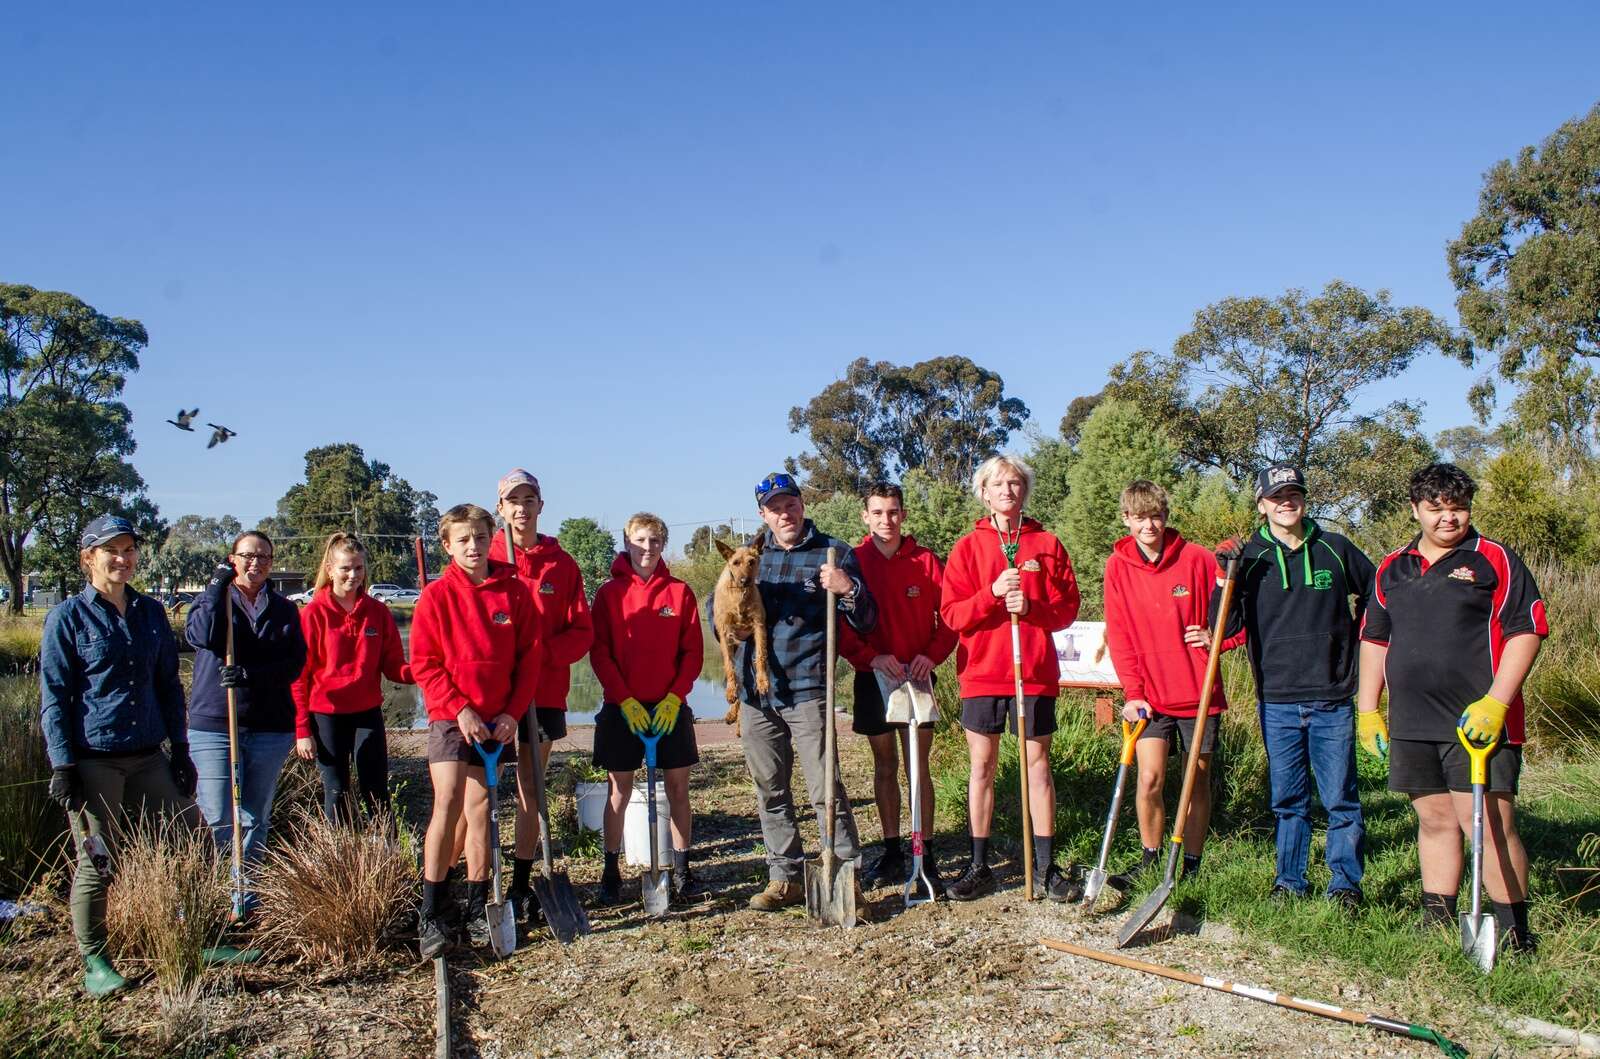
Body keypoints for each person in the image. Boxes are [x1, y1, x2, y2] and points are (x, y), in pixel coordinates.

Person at [1358, 463, 1547, 951]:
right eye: (1436, 509)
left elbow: (1526, 630)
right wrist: (1368, 709)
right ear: (1416, 510)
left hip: (1478, 721)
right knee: (1435, 820)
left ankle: (1512, 932)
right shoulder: (1392, 568)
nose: (1448, 518)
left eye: (1458, 508)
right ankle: (1437, 917)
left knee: (1489, 824)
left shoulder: (1494, 560)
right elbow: (1375, 640)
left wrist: (1497, 702)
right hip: (1413, 721)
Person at [39, 515, 198, 996]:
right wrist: (63, 764)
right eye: (112, 550)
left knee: (187, 841)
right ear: (89, 557)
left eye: (129, 549)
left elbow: (168, 686)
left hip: (150, 754)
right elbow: (55, 697)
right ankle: (95, 961)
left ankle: (192, 934)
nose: (123, 558)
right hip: (95, 758)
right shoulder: (68, 617)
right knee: (99, 860)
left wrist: (181, 749)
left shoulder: (150, 612)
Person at [709, 471, 877, 911]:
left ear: (802, 505)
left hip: (808, 688)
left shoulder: (832, 552)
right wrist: (726, 625)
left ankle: (844, 876)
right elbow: (719, 610)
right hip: (756, 693)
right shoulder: (746, 558)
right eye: (774, 507)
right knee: (770, 788)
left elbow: (866, 620)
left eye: (791, 504)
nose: (785, 513)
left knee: (825, 788)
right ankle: (785, 877)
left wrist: (848, 588)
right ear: (762, 513)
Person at [1214, 465, 1375, 906]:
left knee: (1341, 799)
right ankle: (1290, 881)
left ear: (1304, 499)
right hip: (1278, 698)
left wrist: (1357, 634)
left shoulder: (1336, 548)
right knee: (1289, 799)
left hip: (1332, 695)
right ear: (1262, 504)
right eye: (1277, 496)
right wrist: (1224, 576)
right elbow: (1223, 626)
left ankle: (1345, 884)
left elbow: (1378, 593)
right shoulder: (1249, 558)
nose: (1287, 502)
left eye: (1294, 494)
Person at [939, 455, 1082, 901]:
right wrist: (993, 595)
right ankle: (979, 865)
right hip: (983, 674)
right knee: (982, 767)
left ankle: (1044, 867)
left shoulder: (1048, 543)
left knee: (1037, 768)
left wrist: (1032, 608)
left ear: (1025, 491)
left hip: (1034, 675)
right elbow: (952, 615)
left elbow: (1068, 608)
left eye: (1015, 483)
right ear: (984, 493)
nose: (1007, 491)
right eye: (998, 484)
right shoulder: (967, 548)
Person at [410, 504, 542, 956]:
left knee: (482, 807)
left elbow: (530, 660)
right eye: (463, 540)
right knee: (447, 801)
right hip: (452, 717)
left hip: (497, 719)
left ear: (492, 539)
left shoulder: (515, 593)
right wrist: (458, 708)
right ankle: (432, 908)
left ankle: (474, 905)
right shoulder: (436, 596)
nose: (473, 546)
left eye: (481, 538)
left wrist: (510, 713)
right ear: (447, 545)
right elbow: (424, 663)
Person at [1103, 480, 1240, 886]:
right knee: (1150, 779)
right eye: (1141, 517)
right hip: (1150, 697)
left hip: (1199, 694)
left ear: (1166, 516)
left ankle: (1192, 866)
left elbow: (1238, 614)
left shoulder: (1197, 558)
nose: (1150, 525)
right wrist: (1132, 693)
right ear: (1127, 519)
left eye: (1157, 516)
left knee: (1195, 781)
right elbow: (1121, 634)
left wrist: (1220, 640)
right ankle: (1151, 858)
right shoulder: (1118, 568)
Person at [486, 469, 594, 919]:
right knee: (479, 793)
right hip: (492, 693)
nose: (521, 508)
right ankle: (473, 882)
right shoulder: (484, 558)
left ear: (540, 506)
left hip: (544, 692)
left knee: (531, 785)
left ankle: (520, 883)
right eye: (513, 500)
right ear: (500, 508)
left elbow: (582, 631)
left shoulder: (562, 564)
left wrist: (540, 654)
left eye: (529, 499)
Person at [839, 482, 957, 892]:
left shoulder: (926, 561)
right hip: (874, 677)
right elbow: (841, 624)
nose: (886, 520)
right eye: (877, 513)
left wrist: (932, 655)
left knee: (917, 767)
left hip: (918, 677)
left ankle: (924, 849)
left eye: (893, 512)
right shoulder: (853, 561)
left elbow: (952, 619)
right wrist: (870, 658)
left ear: (903, 514)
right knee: (885, 766)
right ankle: (891, 850)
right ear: (865, 516)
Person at [186, 530, 308, 917]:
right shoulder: (215, 601)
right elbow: (200, 636)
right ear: (232, 559)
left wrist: (251, 674)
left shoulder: (285, 609)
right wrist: (215, 586)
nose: (256, 564)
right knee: (219, 814)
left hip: (269, 724)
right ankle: (219, 892)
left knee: (256, 815)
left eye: (264, 558)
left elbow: (294, 663)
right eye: (247, 556)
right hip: (215, 724)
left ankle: (247, 895)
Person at [588, 513, 707, 905]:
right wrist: (623, 699)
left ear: (663, 545)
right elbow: (600, 652)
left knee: (678, 790)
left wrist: (675, 696)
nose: (647, 548)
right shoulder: (608, 595)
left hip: (670, 709)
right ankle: (610, 873)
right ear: (626, 542)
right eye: (640, 540)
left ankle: (682, 871)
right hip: (622, 709)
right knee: (618, 791)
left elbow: (692, 653)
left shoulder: (680, 593)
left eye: (655, 540)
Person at [291, 533, 414, 825]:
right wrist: (301, 730)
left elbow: (394, 667)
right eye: (346, 568)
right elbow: (299, 676)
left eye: (358, 568)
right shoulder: (313, 614)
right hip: (326, 716)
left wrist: (426, 670)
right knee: (337, 789)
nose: (353, 575)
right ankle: (342, 855)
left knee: (376, 788)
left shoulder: (378, 613)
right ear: (330, 569)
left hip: (366, 712)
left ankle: (388, 850)